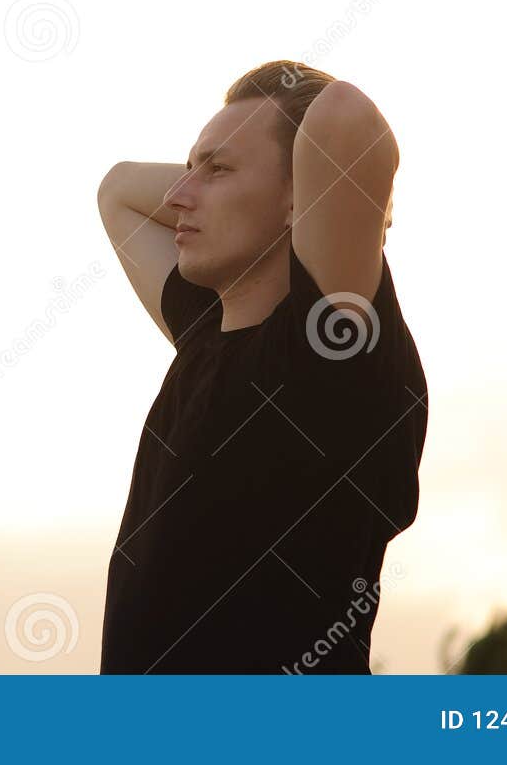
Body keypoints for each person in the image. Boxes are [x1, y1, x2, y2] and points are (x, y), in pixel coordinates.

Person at [96, 61, 427, 673]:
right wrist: (228, 181)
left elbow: (346, 115)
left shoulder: (330, 341)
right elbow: (117, 190)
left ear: (303, 189)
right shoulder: (204, 334)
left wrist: (313, 199)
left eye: (216, 170)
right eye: (188, 168)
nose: (176, 197)